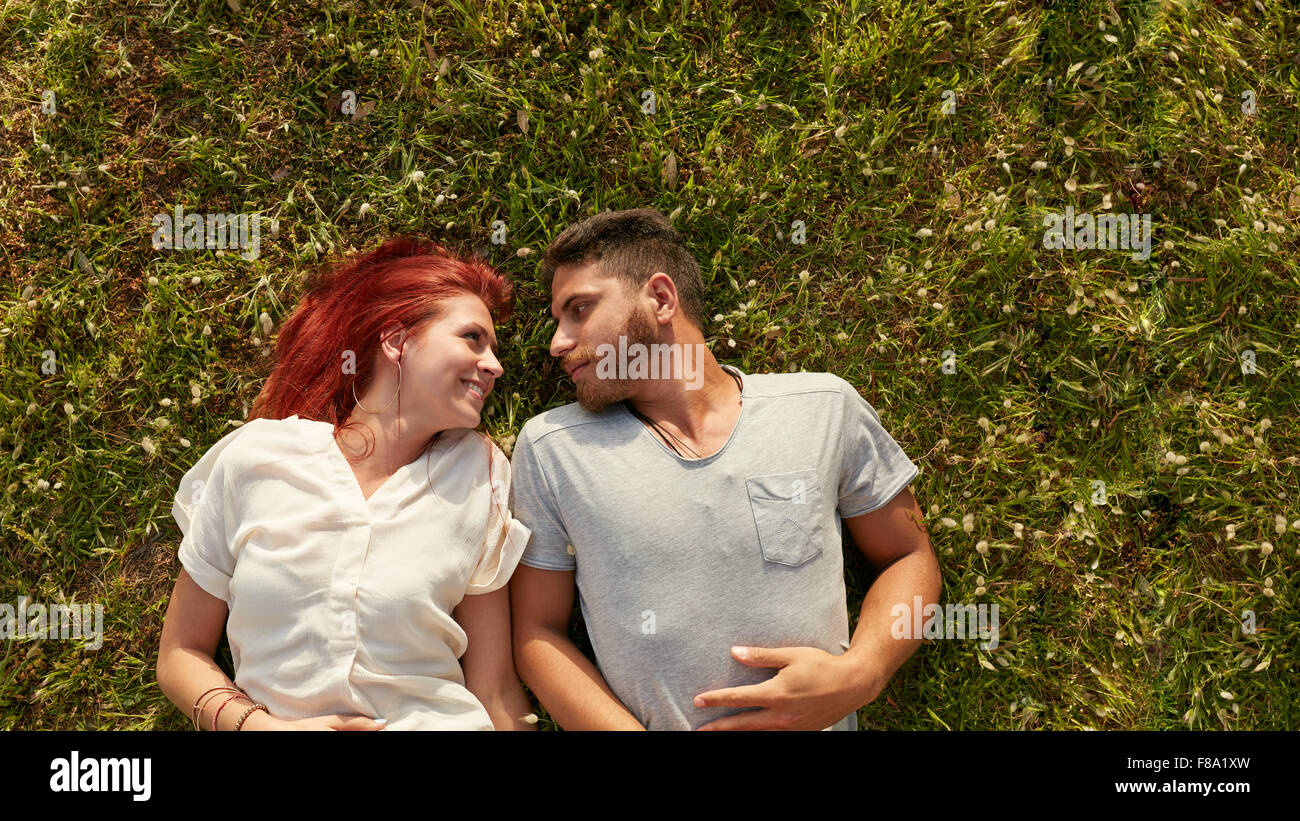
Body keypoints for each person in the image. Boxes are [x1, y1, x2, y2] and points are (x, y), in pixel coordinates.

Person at [509, 208, 942, 730]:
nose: (558, 342)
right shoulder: (554, 449)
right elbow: (537, 632)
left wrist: (863, 674)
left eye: (579, 310)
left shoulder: (822, 408)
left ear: (661, 299)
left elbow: (908, 555)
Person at [156, 237, 534, 731]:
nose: (494, 365)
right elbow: (180, 653)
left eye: (494, 349)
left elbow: (494, 685)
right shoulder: (258, 458)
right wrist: (259, 728)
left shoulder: (480, 473)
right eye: (472, 338)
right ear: (397, 341)